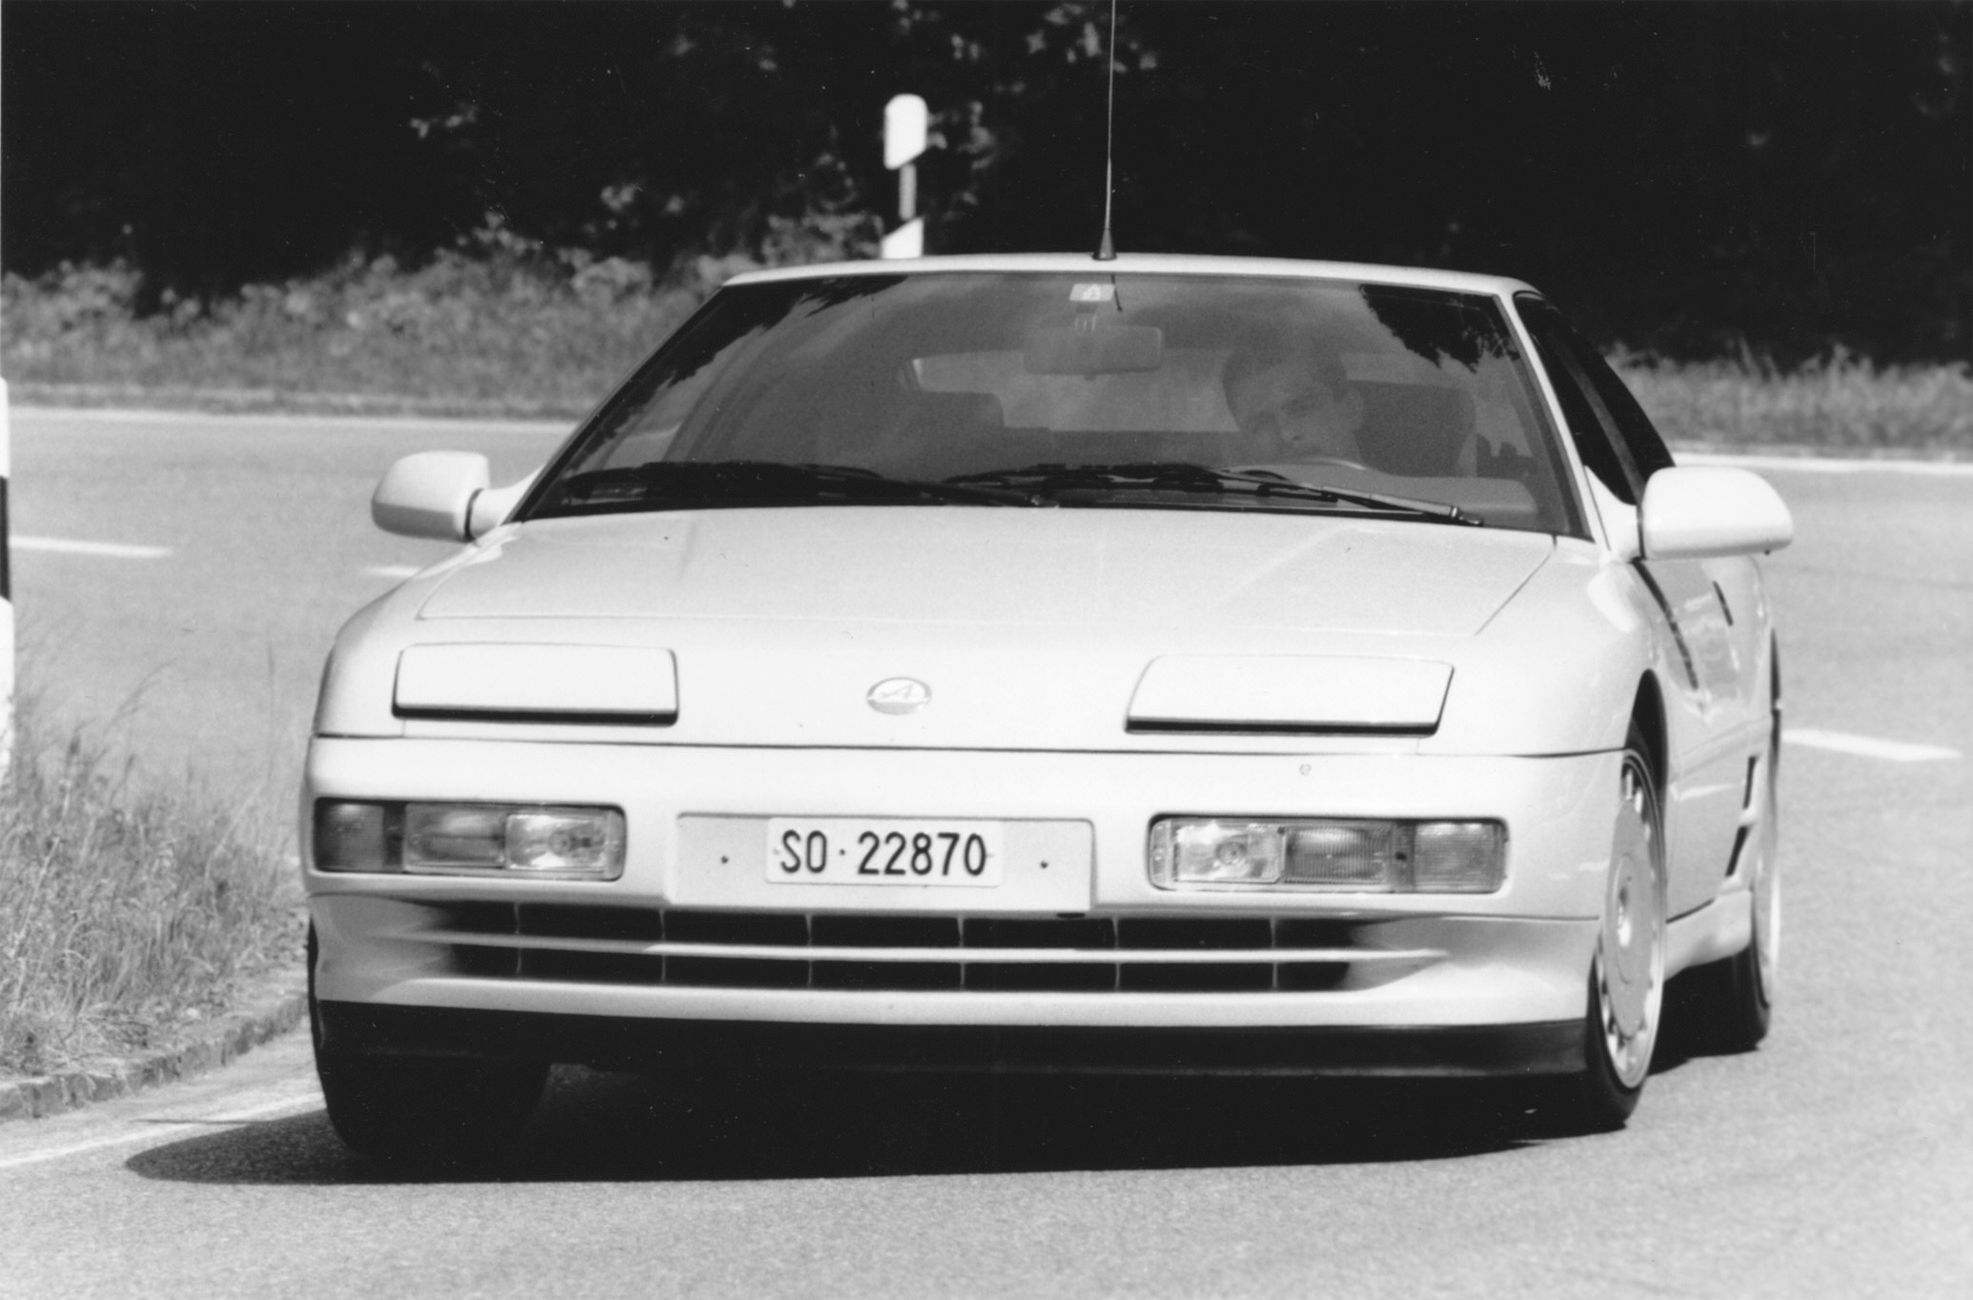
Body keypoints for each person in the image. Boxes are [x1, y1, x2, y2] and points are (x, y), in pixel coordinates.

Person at [1221, 343, 1366, 466]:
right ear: (1248, 445)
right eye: (1261, 424)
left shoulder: (1388, 495)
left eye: (1301, 408)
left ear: (1351, 408)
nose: (1286, 434)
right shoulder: (1220, 499)